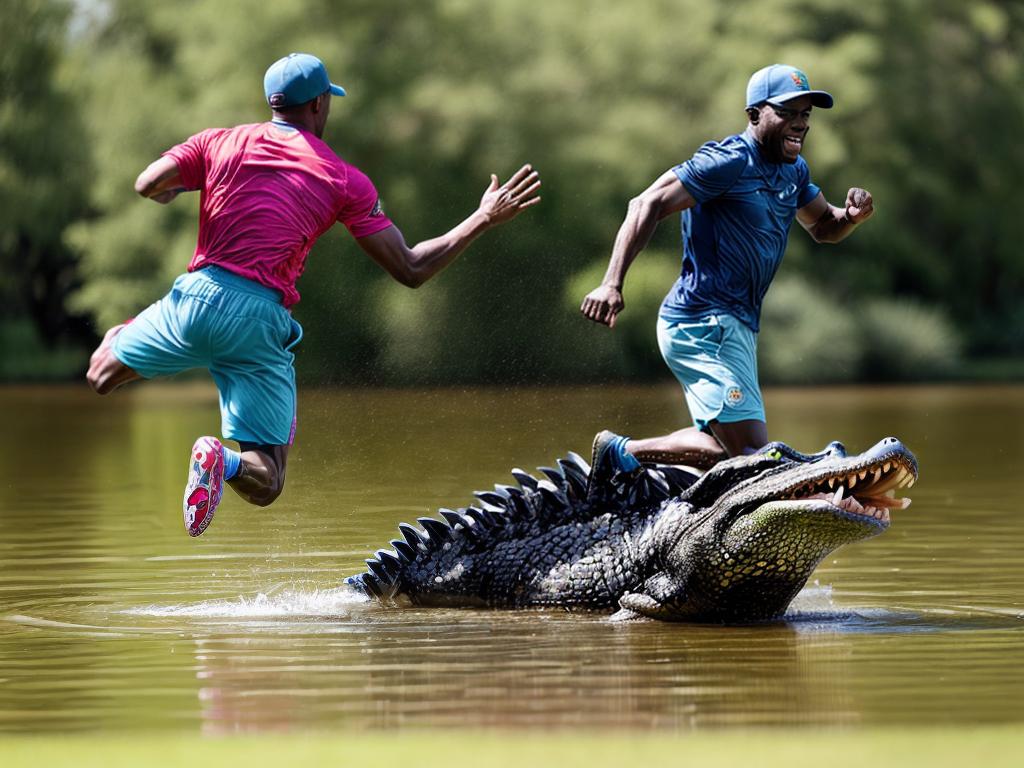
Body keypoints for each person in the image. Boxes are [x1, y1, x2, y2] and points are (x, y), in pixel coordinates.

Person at [86, 53, 541, 537]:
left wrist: (176, 188)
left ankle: (124, 335)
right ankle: (222, 460)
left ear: (274, 103)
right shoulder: (343, 178)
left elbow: (146, 183)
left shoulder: (219, 142)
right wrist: (483, 218)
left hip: (196, 298)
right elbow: (411, 268)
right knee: (267, 477)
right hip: (259, 319)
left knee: (101, 374)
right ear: (320, 104)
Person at [580, 63, 872, 476]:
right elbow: (646, 204)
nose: (801, 123)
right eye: (788, 111)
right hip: (702, 322)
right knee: (753, 453)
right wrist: (611, 283)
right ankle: (619, 454)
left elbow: (824, 227)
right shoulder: (728, 161)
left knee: (732, 454)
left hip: (738, 327)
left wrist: (853, 217)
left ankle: (622, 456)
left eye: (806, 113)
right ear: (754, 114)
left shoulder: (794, 171)